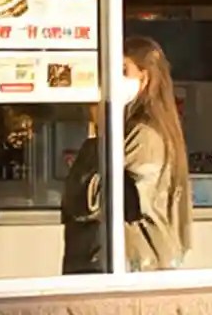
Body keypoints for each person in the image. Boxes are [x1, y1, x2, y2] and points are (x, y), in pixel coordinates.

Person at [62, 36, 192, 273]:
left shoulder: (143, 135)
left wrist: (99, 131)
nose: (114, 80)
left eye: (124, 71)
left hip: (130, 260)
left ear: (145, 78)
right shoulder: (138, 131)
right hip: (123, 258)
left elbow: (90, 200)